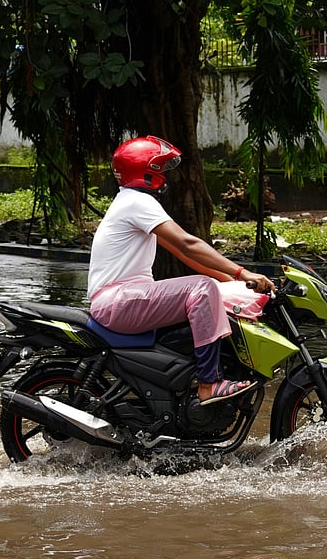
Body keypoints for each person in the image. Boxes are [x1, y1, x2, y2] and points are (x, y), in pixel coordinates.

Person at [87, 136, 274, 405]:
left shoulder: (130, 202)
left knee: (206, 285)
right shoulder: (137, 202)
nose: (165, 176)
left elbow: (185, 255)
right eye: (161, 169)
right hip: (119, 301)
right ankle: (209, 383)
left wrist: (233, 281)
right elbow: (188, 244)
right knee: (201, 288)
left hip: (123, 300)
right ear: (146, 172)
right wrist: (242, 273)